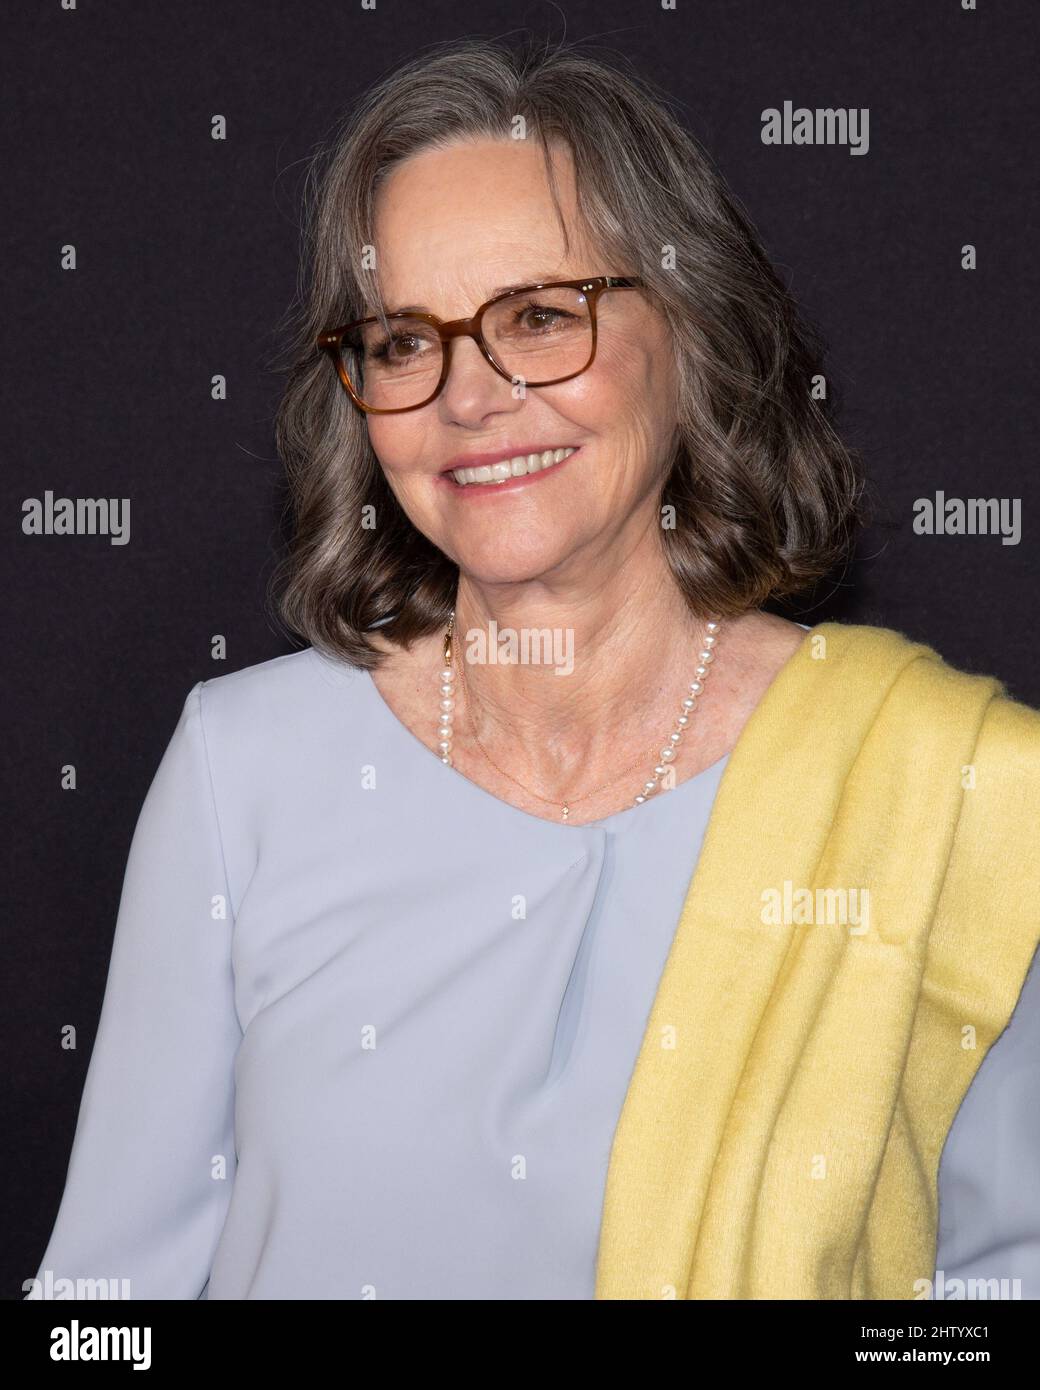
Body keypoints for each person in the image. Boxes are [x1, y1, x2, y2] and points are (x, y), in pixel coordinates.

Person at [27, 36, 1040, 1302]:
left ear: (692, 337)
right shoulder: (244, 774)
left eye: (540, 318)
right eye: (403, 341)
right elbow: (94, 1319)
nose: (468, 397)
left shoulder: (953, 799)